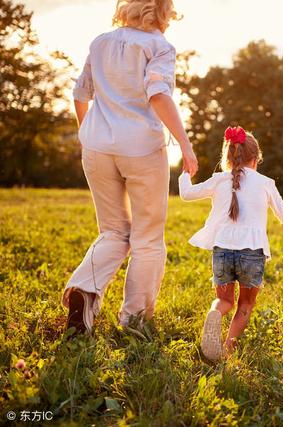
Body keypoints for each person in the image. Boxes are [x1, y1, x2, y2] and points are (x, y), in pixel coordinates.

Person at [63, 0, 198, 335]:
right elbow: (158, 94)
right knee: (147, 237)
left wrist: (86, 132)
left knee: (113, 232)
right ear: (164, 12)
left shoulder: (100, 42)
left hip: (97, 147)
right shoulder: (159, 46)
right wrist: (185, 143)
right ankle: (134, 320)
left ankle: (84, 289)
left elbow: (81, 92)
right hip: (141, 149)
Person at [179, 126, 283, 360]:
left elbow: (186, 194)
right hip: (252, 252)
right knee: (245, 306)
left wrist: (185, 173)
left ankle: (215, 313)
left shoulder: (219, 180)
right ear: (256, 159)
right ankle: (228, 347)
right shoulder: (265, 182)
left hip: (222, 249)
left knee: (224, 300)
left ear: (228, 157)